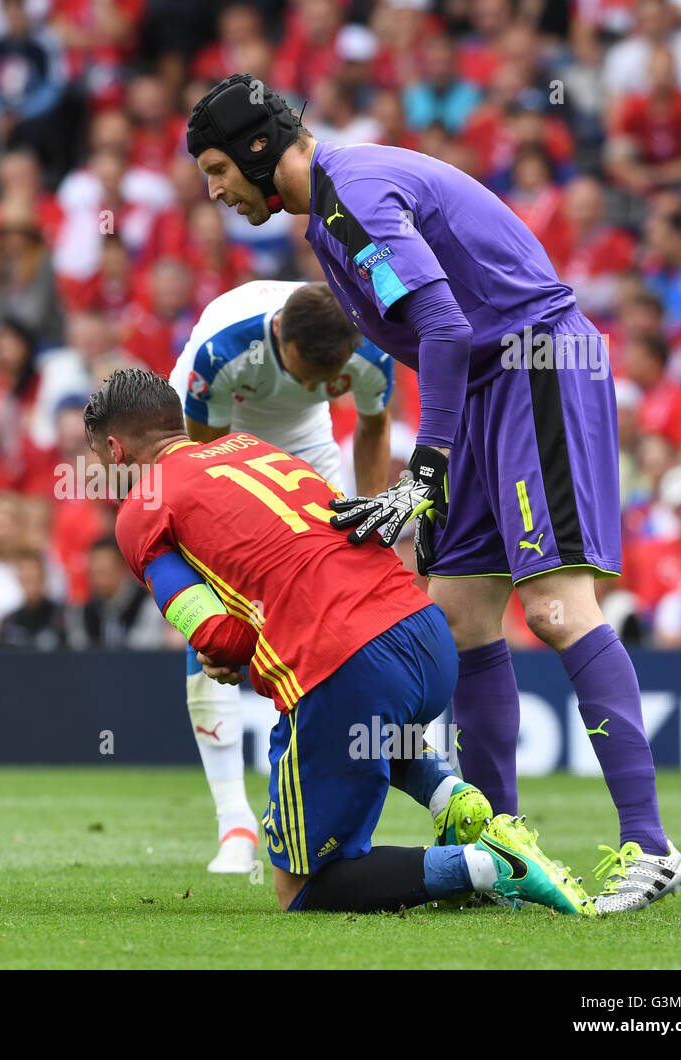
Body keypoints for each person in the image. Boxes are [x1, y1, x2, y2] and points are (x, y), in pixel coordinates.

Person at [186, 73, 681, 912]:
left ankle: (651, 845)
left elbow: (448, 325)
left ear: (258, 148)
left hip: (534, 366)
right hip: (489, 386)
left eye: (217, 169)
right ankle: (506, 850)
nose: (215, 192)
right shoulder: (328, 217)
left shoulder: (353, 196)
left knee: (561, 609)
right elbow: (437, 335)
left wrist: (427, 468)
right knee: (459, 617)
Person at [84, 367, 595, 916]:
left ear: (116, 450)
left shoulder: (142, 509)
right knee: (339, 730)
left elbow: (217, 635)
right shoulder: (252, 448)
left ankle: (493, 866)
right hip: (424, 633)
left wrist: (222, 657)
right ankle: (449, 795)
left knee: (304, 888)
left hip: (348, 661)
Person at [167, 279, 394, 873]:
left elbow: (370, 431)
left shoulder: (370, 352)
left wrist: (370, 529)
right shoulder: (222, 356)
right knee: (227, 608)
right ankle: (232, 823)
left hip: (304, 439)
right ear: (279, 342)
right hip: (216, 433)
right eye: (311, 375)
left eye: (332, 379)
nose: (325, 387)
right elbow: (205, 480)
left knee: (334, 590)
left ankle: (310, 788)